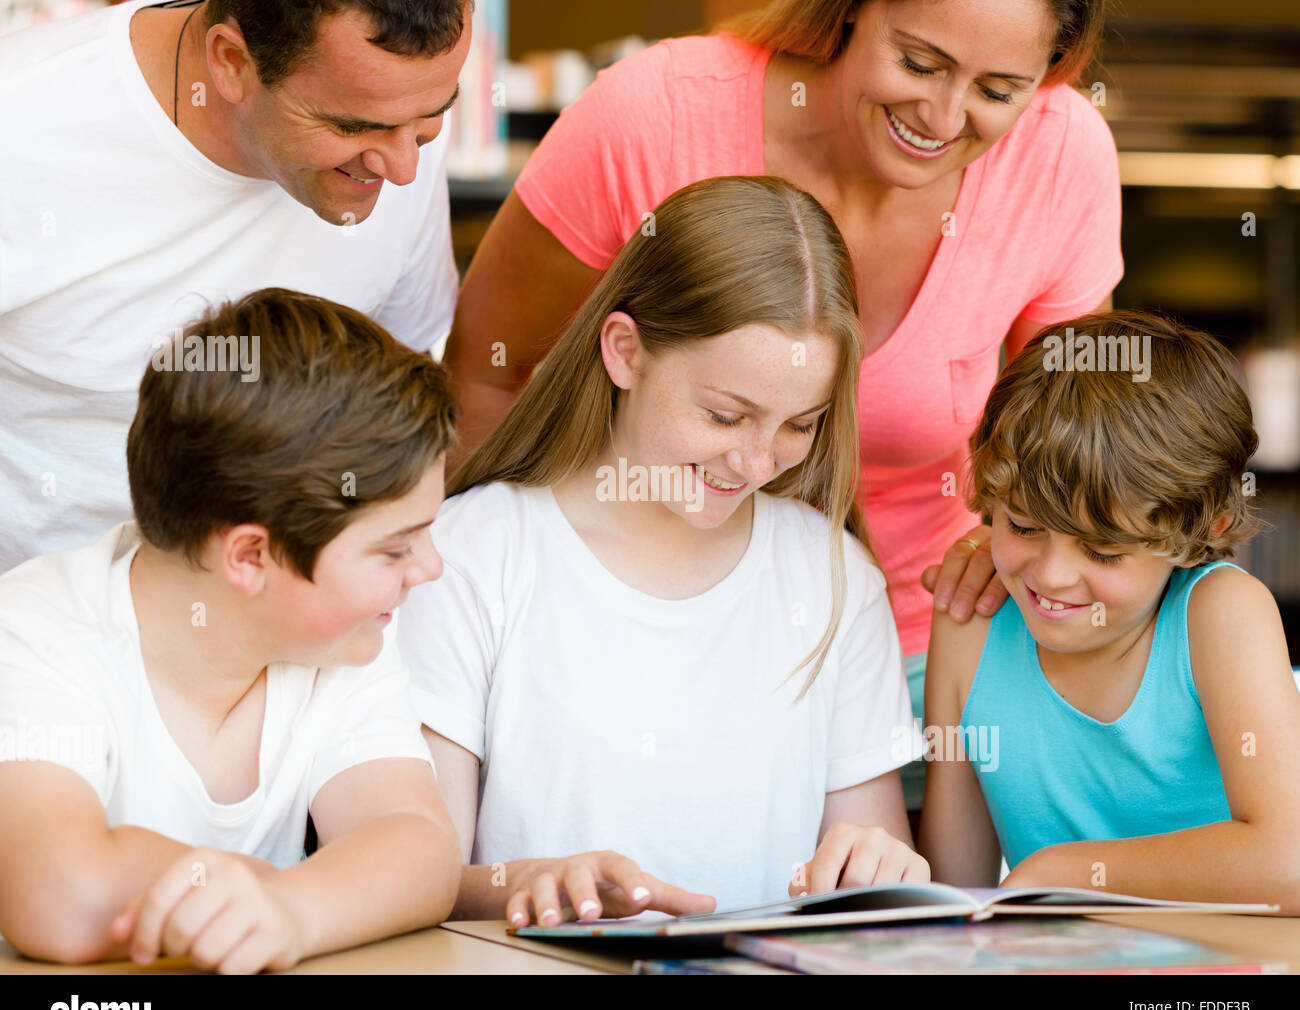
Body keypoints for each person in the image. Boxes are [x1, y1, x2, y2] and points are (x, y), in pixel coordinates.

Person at [440, 0, 1123, 815]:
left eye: (1001, 88)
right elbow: (487, 372)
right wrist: (489, 603)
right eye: (918, 62)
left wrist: (1008, 539)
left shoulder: (1060, 157)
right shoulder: (654, 117)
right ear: (847, 13)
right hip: (620, 621)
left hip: (916, 636)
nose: (943, 118)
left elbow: (1074, 435)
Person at [398, 176, 928, 926]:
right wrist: (535, 880)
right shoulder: (473, 553)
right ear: (624, 352)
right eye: (724, 414)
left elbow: (864, 860)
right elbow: (422, 873)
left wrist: (881, 868)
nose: (755, 461)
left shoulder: (835, 576)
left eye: (799, 425)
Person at [0, 289, 462, 972]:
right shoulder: (36, 631)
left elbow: (420, 849)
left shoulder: (346, 641)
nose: (432, 568)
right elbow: (62, 895)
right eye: (394, 549)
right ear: (250, 556)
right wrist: (291, 889)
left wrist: (291, 912)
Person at [0, 0, 471, 572]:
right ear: (230, 61)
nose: (403, 169)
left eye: (431, 117)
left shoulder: (397, 111)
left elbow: (402, 388)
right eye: (354, 126)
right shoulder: (19, 123)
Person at [918, 311, 1300, 914]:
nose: (1051, 575)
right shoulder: (974, 615)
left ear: (1203, 529)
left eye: (1103, 550)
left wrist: (1061, 872)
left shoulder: (1222, 612)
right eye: (1023, 525)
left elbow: (1290, 865)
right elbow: (952, 899)